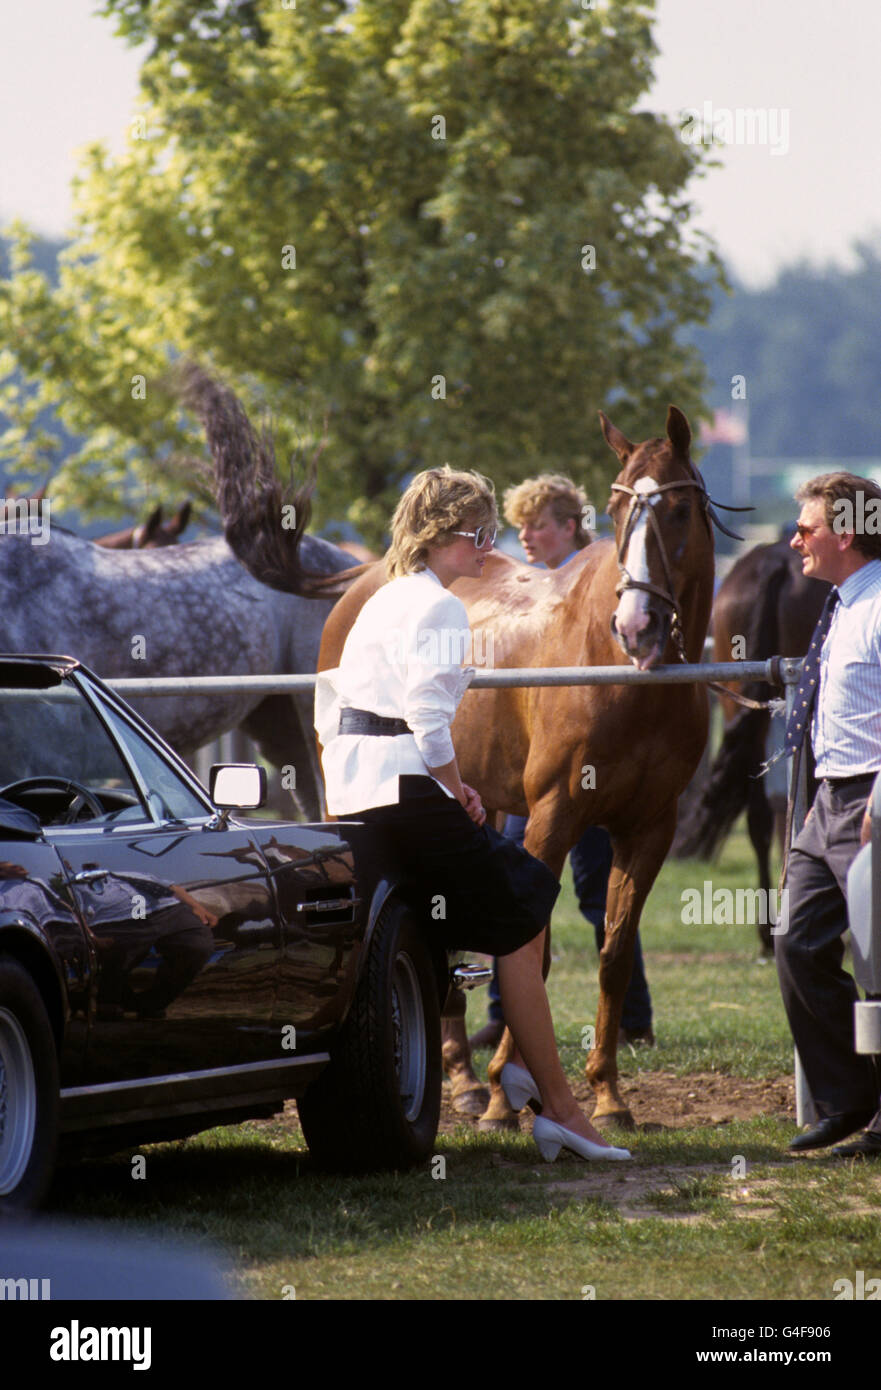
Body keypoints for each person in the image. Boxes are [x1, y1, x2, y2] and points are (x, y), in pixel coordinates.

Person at [315, 466, 631, 1162]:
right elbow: (429, 727)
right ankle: (561, 1108)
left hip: (357, 789)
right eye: (477, 536)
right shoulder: (436, 608)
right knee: (524, 906)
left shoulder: (384, 600)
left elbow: (333, 703)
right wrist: (458, 789)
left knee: (493, 913)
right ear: (438, 536)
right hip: (404, 788)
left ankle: (525, 1081)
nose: (489, 552)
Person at [470, 474, 654, 1051]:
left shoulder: (601, 587)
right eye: (519, 525)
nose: (525, 535)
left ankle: (630, 1015)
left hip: (592, 764)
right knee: (521, 885)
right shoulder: (532, 592)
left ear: (570, 528)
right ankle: (506, 1015)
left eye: (538, 525)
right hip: (540, 762)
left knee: (600, 889)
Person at [776, 472, 881, 1156]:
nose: (794, 541)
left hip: (871, 799)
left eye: (806, 529)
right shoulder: (843, 604)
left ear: (843, 534)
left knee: (878, 963)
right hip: (826, 800)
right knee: (794, 942)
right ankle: (848, 1099)